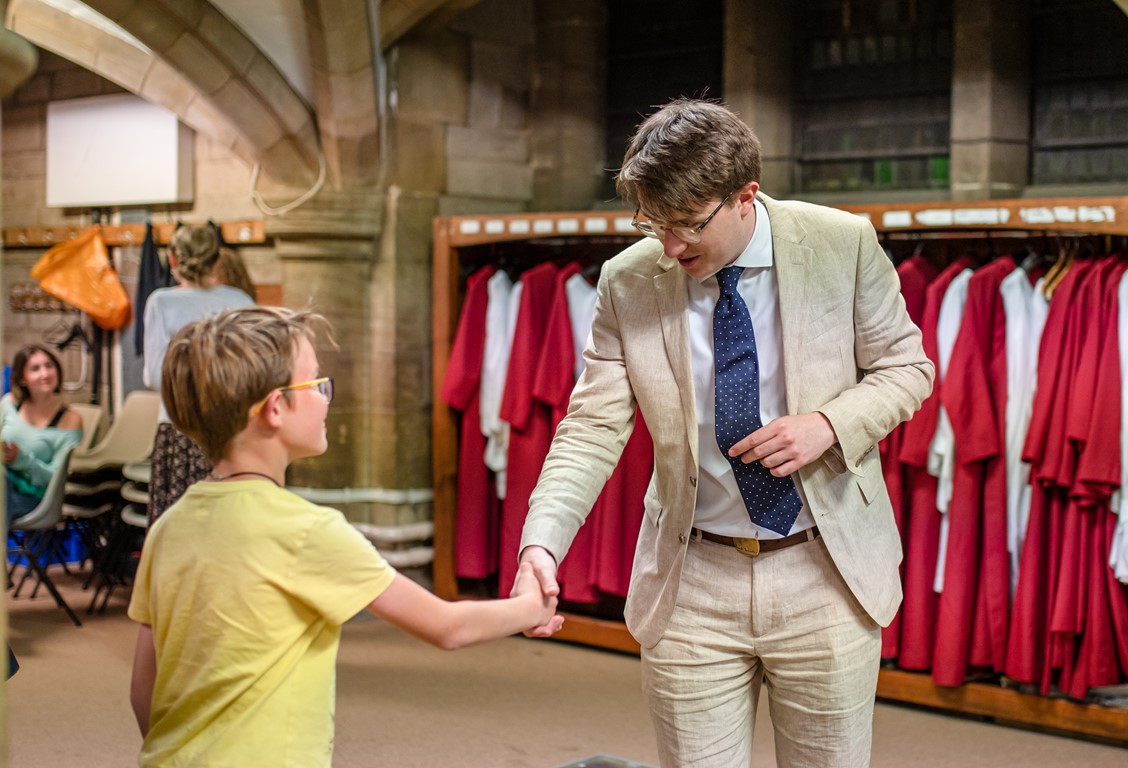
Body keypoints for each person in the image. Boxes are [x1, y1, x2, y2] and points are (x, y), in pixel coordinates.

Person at [514, 99, 934, 768]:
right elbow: (591, 426)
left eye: (687, 224)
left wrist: (829, 424)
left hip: (825, 573)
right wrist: (543, 541)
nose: (670, 245)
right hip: (691, 583)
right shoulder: (629, 282)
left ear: (746, 196)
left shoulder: (842, 243)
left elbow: (907, 369)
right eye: (653, 224)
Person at [128, 306, 557, 766]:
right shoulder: (308, 531)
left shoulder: (168, 527)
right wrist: (533, 605)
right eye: (315, 383)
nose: (326, 395)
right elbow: (446, 627)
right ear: (275, 407)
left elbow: (142, 689)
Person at [142, 224, 253, 524]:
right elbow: (253, 374)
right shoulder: (241, 302)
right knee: (227, 523)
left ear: (173, 260)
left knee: (179, 526)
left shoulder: (161, 302)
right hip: (230, 429)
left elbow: (155, 377)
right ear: (217, 260)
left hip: (181, 428)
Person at [2, 344, 82, 523]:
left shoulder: (70, 420)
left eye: (49, 366)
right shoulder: (8, 404)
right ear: (22, 379)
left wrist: (20, 459)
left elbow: (57, 478)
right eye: (35, 369)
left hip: (32, 496)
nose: (45, 374)